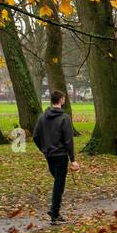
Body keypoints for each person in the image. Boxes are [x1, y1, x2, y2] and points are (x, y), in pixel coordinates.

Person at [31, 90, 79, 224]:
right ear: (61, 100)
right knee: (59, 184)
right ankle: (54, 213)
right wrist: (73, 160)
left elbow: (35, 136)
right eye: (64, 99)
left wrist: (44, 149)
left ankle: (55, 211)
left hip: (49, 156)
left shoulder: (42, 117)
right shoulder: (65, 118)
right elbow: (68, 140)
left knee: (58, 182)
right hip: (61, 156)